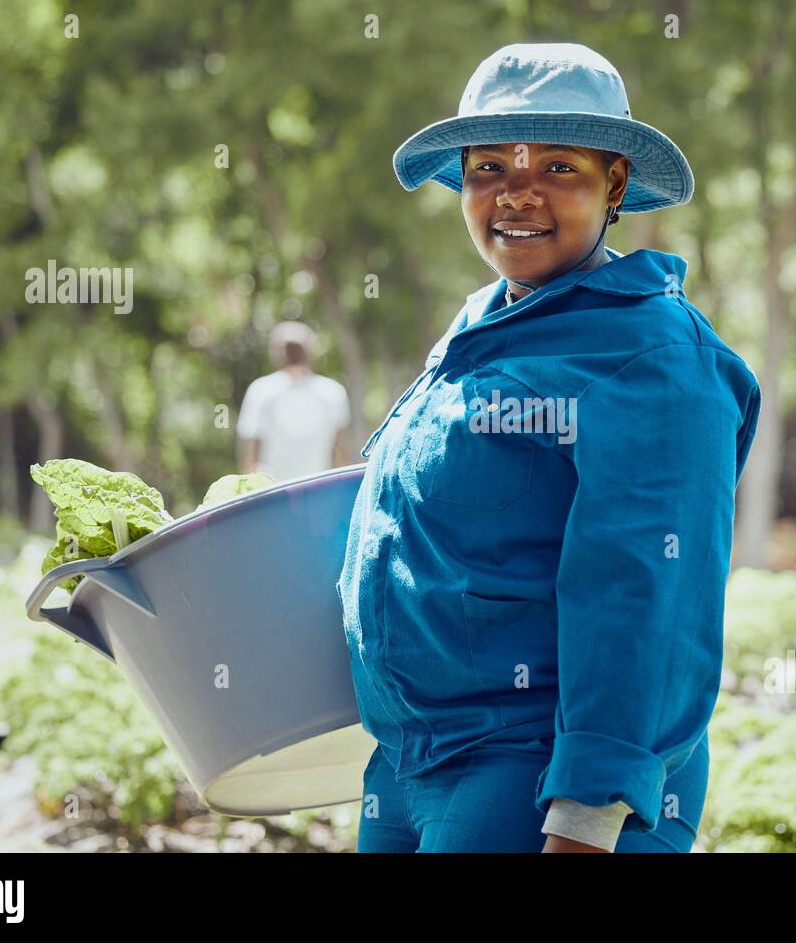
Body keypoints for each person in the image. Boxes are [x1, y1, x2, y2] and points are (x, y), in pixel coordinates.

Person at [336, 42, 762, 853]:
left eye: (558, 167)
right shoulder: (481, 325)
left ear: (616, 185)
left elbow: (649, 595)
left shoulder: (653, 357)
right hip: (409, 764)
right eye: (489, 165)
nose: (516, 193)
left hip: (538, 781)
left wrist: (585, 820)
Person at [236, 321, 351, 480]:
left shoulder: (260, 391)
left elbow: (251, 455)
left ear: (276, 354)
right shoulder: (333, 392)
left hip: (272, 493)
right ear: (310, 353)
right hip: (318, 490)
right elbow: (341, 452)